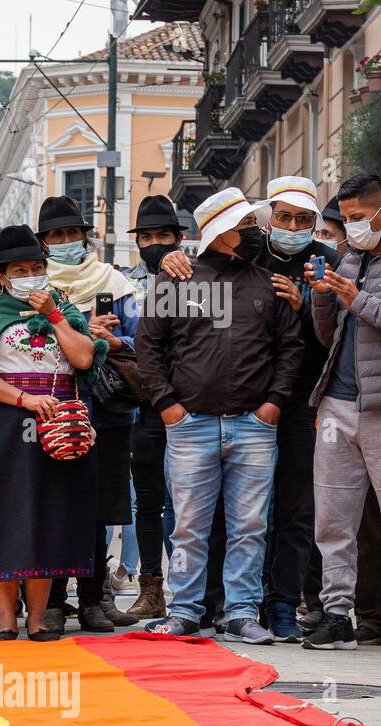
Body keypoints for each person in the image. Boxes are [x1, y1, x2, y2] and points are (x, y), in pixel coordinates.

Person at [138, 187, 301, 643]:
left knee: (251, 526)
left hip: (254, 425)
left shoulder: (269, 284)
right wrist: (168, 407)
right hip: (190, 426)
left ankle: (241, 611)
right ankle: (187, 609)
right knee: (188, 525)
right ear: (220, 232)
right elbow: (149, 349)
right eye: (246, 226)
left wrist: (273, 405)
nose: (255, 233)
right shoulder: (174, 281)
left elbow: (290, 349)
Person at [0, 224, 101, 641]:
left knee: (49, 513)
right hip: (5, 423)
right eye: (20, 269)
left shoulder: (64, 311)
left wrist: (54, 315)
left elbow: (84, 359)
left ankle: (38, 618)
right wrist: (23, 400)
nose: (31, 275)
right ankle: (4, 618)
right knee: (3, 514)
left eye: (37, 266)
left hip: (61, 423)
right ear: (2, 276)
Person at [36, 195, 140, 633]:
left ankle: (94, 598)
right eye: (56, 235)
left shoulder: (115, 283)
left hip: (105, 413)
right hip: (50, 409)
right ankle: (55, 601)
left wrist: (113, 342)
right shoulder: (33, 287)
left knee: (98, 506)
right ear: (44, 243)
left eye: (72, 234)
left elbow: (141, 339)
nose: (66, 242)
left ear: (84, 236)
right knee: (57, 504)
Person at [302, 172, 381, 650]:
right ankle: (335, 614)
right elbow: (327, 335)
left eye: (358, 218)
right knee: (332, 517)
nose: (352, 228)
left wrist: (359, 300)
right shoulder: (349, 260)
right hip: (336, 400)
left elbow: (370, 311)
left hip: (378, 406)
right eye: (347, 219)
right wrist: (324, 298)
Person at [125, 195, 186, 619]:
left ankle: (191, 591)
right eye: (146, 237)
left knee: (189, 505)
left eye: (162, 235)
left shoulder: (198, 279)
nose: (154, 244)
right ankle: (151, 589)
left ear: (178, 238)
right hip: (142, 408)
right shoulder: (122, 285)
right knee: (148, 503)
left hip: (188, 408)